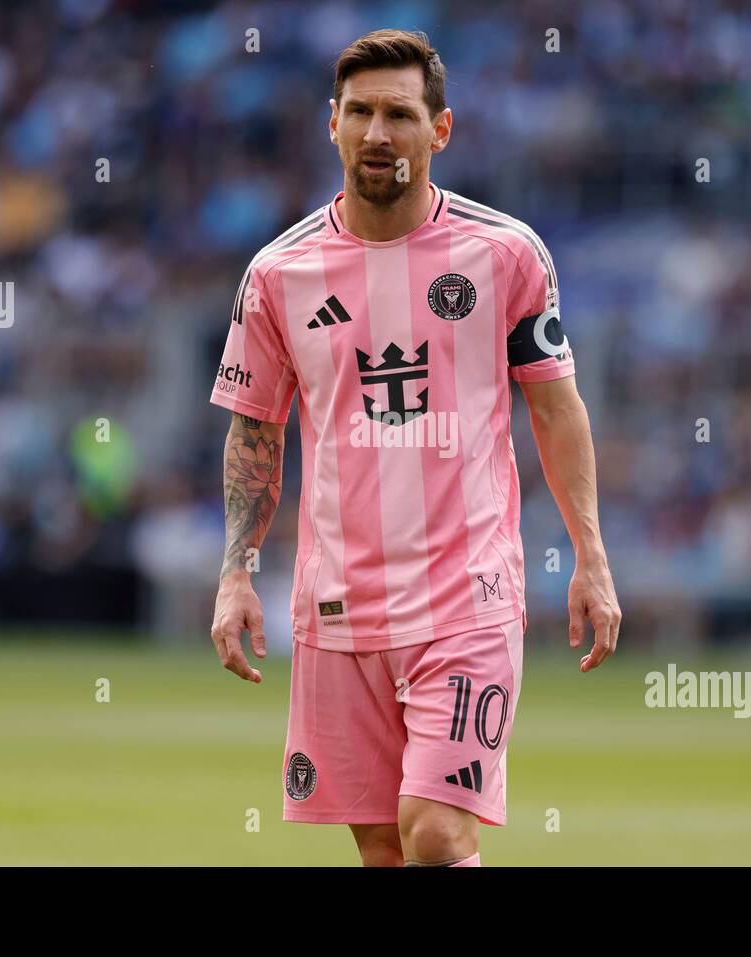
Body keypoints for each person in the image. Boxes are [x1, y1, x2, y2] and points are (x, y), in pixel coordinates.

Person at [208, 29, 621, 866]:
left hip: (467, 595)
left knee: (434, 833)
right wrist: (236, 571)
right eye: (358, 113)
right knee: (383, 850)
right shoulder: (278, 274)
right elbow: (256, 428)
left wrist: (591, 554)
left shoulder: (505, 253)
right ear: (331, 124)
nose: (376, 133)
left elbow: (554, 405)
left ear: (440, 129)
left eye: (398, 113)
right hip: (338, 605)